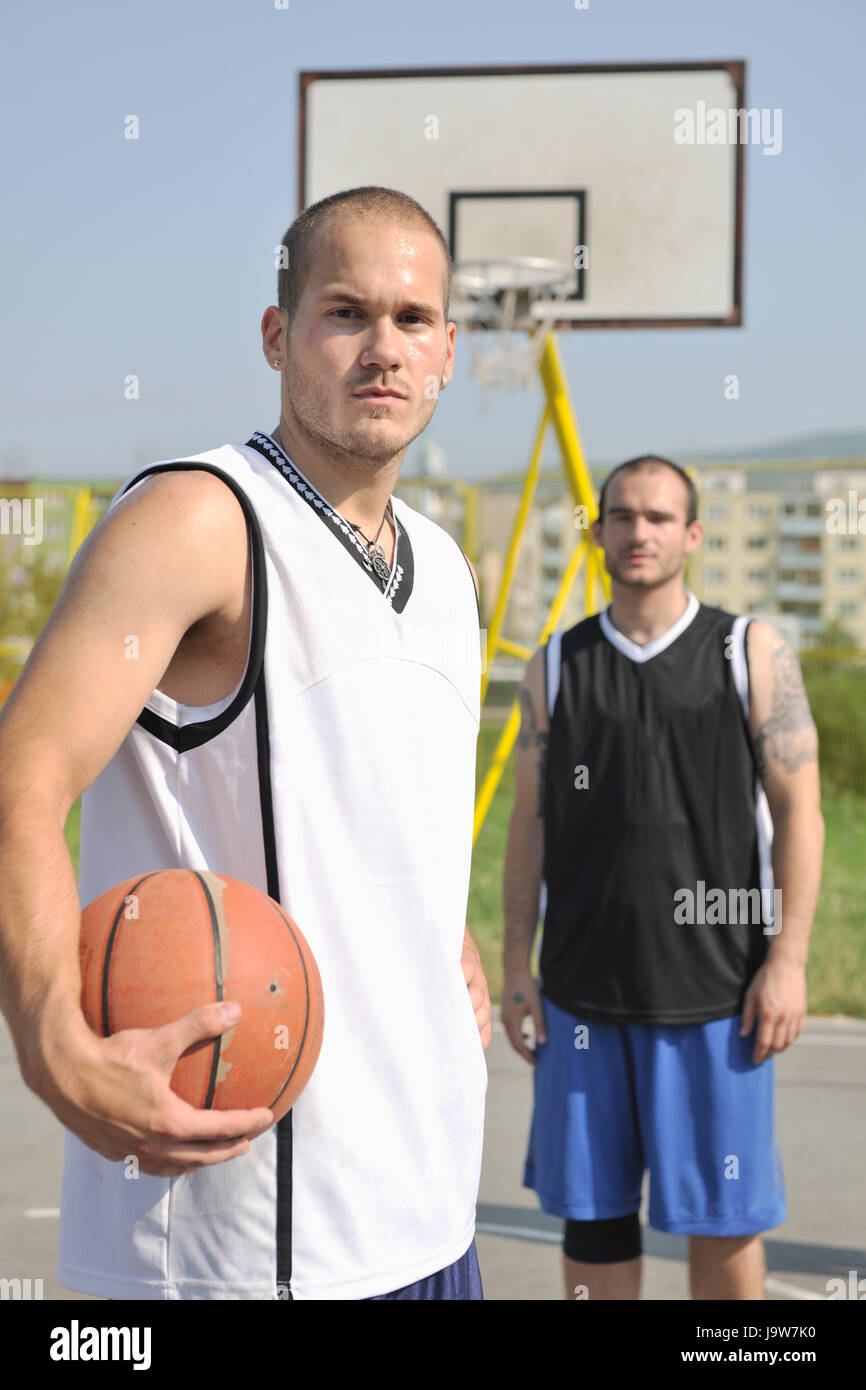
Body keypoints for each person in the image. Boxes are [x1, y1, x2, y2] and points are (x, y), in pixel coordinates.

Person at [0, 185, 491, 1301]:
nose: (382, 349)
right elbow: (19, 775)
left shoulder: (449, 572)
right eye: (344, 312)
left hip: (428, 1207)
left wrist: (433, 934)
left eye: (413, 320)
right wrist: (47, 1038)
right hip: (243, 1234)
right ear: (278, 334)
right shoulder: (196, 519)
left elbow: (373, 808)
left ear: (450, 350)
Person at [502, 454, 824, 1301]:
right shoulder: (558, 666)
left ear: (692, 534)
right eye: (622, 517)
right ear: (600, 531)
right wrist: (514, 971)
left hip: (718, 993)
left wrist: (787, 962)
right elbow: (528, 828)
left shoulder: (750, 651)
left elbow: (801, 814)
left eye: (657, 517)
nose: (637, 532)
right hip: (581, 990)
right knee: (595, 1222)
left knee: (722, 1224)